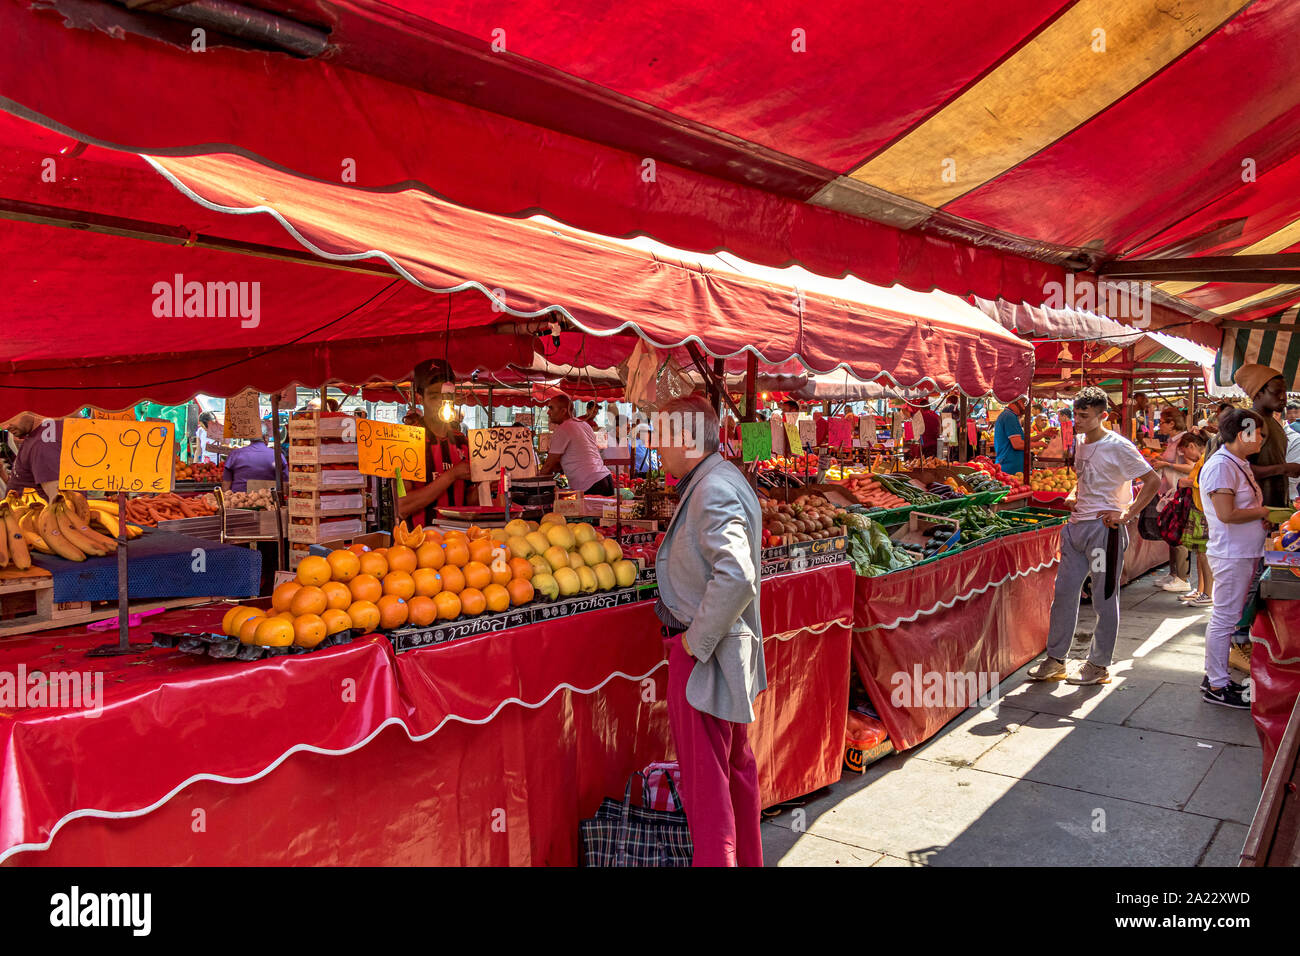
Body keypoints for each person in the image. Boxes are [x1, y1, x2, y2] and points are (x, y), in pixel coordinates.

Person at [652, 393, 764, 867]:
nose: (656, 448)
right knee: (734, 771)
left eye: (661, 436)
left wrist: (693, 643)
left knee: (708, 788)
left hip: (707, 655)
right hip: (723, 653)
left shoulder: (711, 487)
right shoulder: (720, 476)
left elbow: (737, 573)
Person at [1028, 386, 1160, 685]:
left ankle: (1098, 665)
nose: (1078, 420)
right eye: (1076, 413)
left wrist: (1128, 513)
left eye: (1084, 415)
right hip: (1075, 528)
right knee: (1063, 594)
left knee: (1103, 598)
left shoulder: (1119, 446)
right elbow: (1084, 478)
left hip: (1104, 530)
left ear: (1103, 416)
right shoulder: (1078, 442)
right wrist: (1075, 492)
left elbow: (1152, 480)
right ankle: (1055, 659)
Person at [1199, 408, 1271, 709]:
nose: (1264, 440)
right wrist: (1264, 513)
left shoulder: (1237, 463)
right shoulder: (1221, 467)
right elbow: (1227, 514)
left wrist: (1260, 518)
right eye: (1261, 434)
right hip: (1231, 553)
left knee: (1228, 617)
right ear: (1244, 434)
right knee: (1224, 619)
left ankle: (1217, 678)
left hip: (1243, 551)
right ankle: (1216, 684)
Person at [395, 359, 476, 522]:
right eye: (434, 396)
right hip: (418, 543)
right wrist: (451, 475)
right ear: (419, 398)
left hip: (457, 542)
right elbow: (402, 505)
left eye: (447, 396)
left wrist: (488, 485)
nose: (442, 403)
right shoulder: (402, 443)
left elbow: (468, 500)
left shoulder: (463, 442)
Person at [1152, 406, 1193, 593]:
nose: (1159, 425)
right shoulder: (1172, 441)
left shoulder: (1184, 441)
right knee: (1171, 533)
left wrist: (1165, 464)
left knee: (1179, 535)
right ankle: (1174, 574)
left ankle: (1182, 577)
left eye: (1162, 422)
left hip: (1179, 493)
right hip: (1169, 492)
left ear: (1172, 423)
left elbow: (1191, 467)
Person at [539, 393, 614, 495]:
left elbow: (548, 466)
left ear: (563, 411)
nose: (548, 412)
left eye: (551, 408)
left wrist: (535, 484)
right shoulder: (584, 424)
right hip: (605, 478)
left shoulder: (563, 429)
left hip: (591, 484)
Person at [1177, 431, 1213, 607]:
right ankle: (1200, 589)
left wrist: (1186, 482)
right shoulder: (1202, 459)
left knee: (1204, 553)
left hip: (1204, 511)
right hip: (1199, 509)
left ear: (1192, 446)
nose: (1185, 456)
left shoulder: (1207, 457)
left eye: (1185, 451)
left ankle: (1208, 592)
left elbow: (1202, 481)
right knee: (1200, 553)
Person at [2, 412, 62, 501]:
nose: (6, 427)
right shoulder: (37, 434)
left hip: (34, 513)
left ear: (28, 409)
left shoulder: (42, 445)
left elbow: (58, 499)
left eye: (11, 418)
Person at [221, 420, 286, 492]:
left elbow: (226, 485)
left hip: (239, 499)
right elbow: (285, 484)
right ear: (266, 437)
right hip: (268, 499)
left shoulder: (235, 455)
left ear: (250, 437)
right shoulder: (277, 456)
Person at [993, 397, 1027, 479]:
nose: (1026, 408)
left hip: (1011, 465)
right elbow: (1017, 444)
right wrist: (1038, 444)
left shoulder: (1010, 416)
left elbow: (1022, 441)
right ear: (1019, 402)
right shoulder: (1009, 417)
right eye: (1025, 405)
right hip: (1009, 467)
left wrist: (1042, 435)